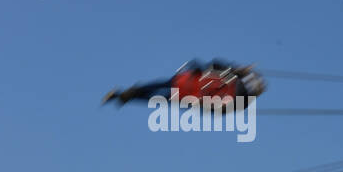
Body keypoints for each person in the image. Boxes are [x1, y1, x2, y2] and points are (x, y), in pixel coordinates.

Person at [103, 59, 265, 106]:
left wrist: (237, 69)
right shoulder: (240, 99)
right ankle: (125, 96)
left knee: (161, 88)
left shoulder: (235, 82)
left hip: (193, 84)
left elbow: (215, 65)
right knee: (160, 96)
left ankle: (125, 95)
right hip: (193, 92)